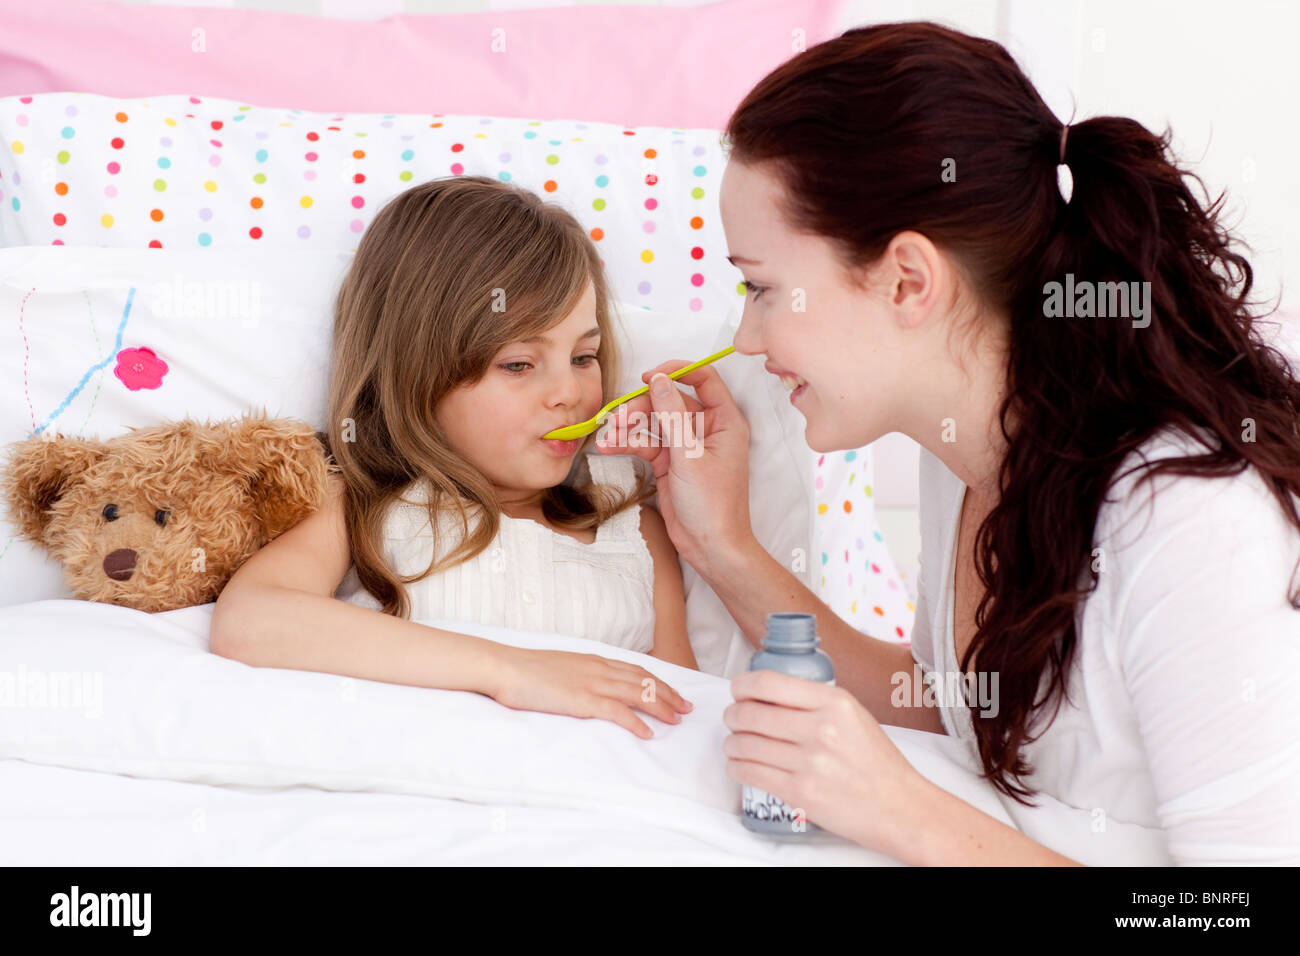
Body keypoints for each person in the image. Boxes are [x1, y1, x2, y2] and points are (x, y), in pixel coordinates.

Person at [598, 21, 1300, 865]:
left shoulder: (1184, 517)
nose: (746, 338)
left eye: (765, 288)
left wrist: (905, 814)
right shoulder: (970, 454)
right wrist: (721, 544)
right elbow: (961, 711)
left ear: (908, 281)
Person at [211, 176, 696, 741]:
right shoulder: (362, 503)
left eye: (584, 356)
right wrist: (507, 670)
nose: (569, 392)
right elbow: (251, 620)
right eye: (518, 364)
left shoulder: (633, 529)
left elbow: (685, 713)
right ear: (416, 373)